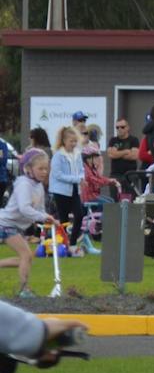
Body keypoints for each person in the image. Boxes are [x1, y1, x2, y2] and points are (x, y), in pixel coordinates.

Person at [1, 150, 51, 297]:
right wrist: (43, 217)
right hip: (5, 224)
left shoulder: (39, 186)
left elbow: (41, 209)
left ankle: (24, 288)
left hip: (14, 226)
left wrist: (49, 218)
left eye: (46, 168)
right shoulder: (23, 184)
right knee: (26, 254)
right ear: (29, 169)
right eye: (40, 169)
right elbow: (24, 209)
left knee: (27, 259)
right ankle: (24, 290)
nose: (44, 172)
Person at [48, 125, 86, 246]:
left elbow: (81, 170)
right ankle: (63, 244)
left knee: (79, 215)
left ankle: (73, 242)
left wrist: (81, 178)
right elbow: (58, 175)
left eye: (75, 141)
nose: (74, 143)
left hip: (74, 189)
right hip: (61, 191)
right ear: (64, 141)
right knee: (63, 218)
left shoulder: (77, 153)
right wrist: (76, 179)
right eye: (71, 141)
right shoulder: (58, 155)